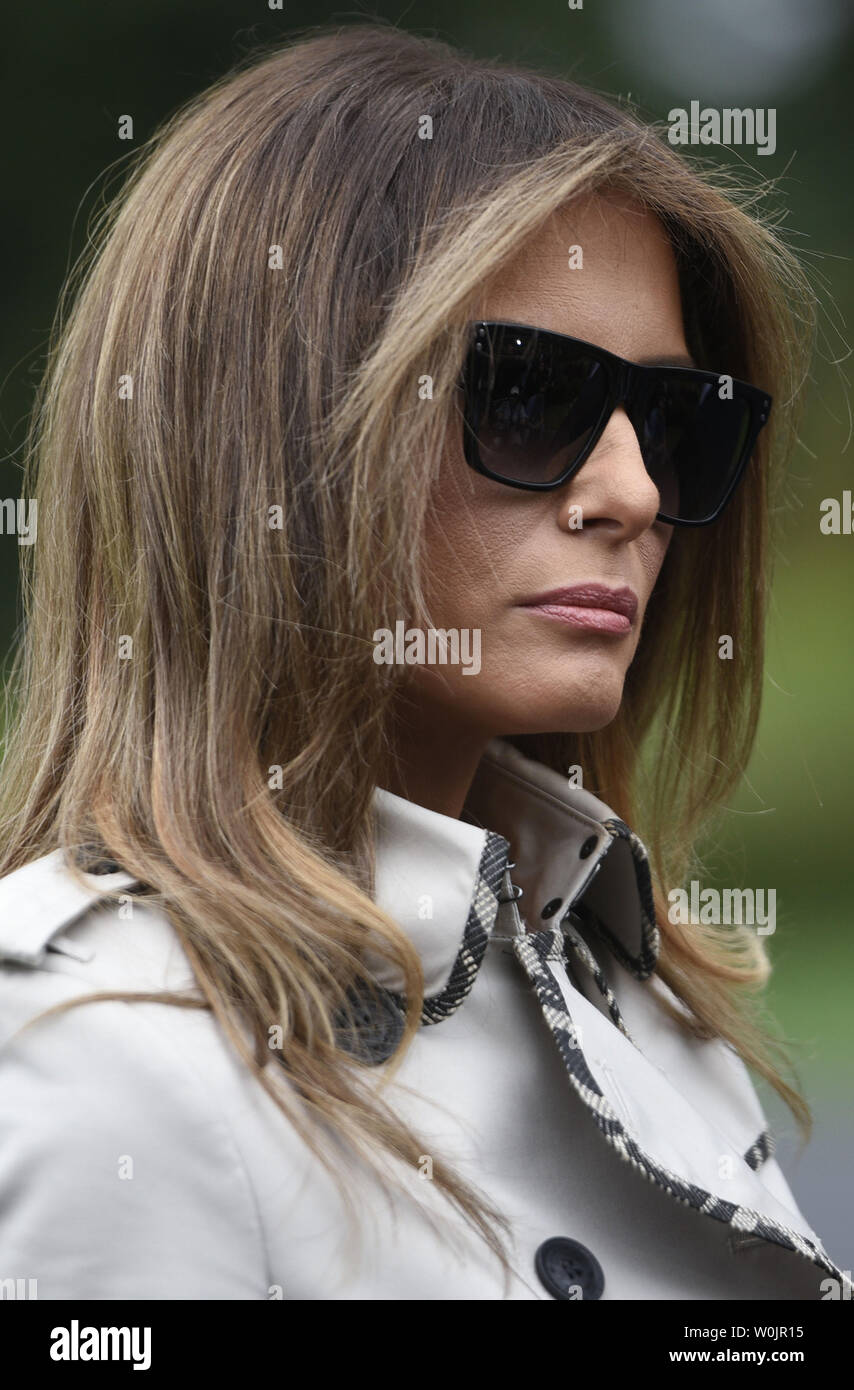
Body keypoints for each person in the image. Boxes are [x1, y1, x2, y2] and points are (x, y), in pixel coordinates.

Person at [0, 22, 847, 1301]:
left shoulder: (640, 996)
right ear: (269, 439)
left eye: (676, 421)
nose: (629, 491)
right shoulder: (91, 1049)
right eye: (523, 393)